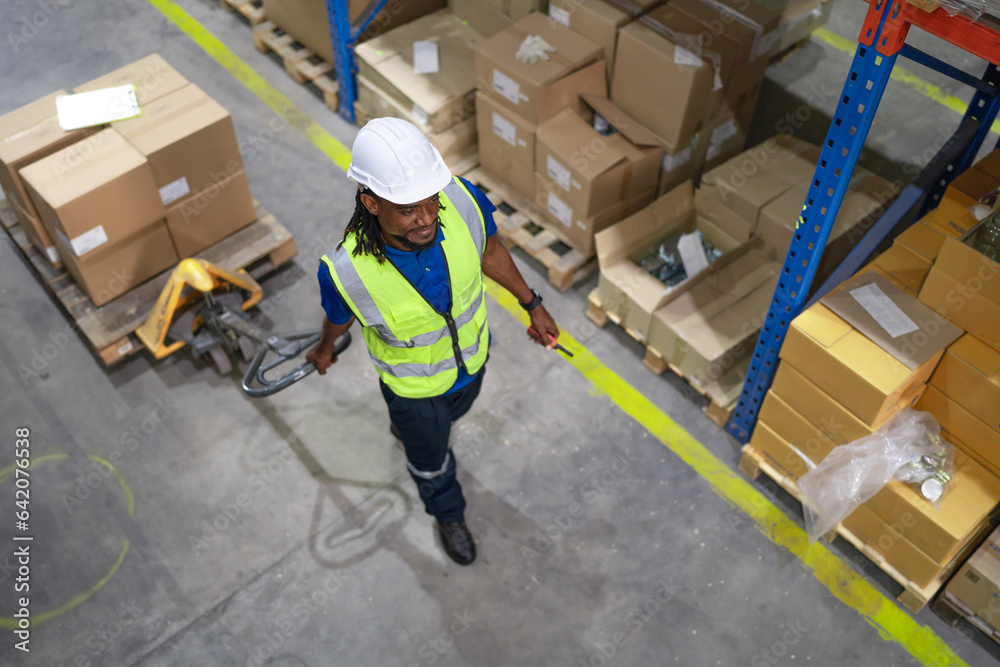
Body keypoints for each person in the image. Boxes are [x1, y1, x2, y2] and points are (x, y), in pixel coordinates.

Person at [306, 118, 559, 565]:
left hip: (473, 363)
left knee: (453, 419)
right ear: (370, 202)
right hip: (415, 395)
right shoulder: (346, 272)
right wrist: (325, 348)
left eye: (430, 203)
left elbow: (490, 250)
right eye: (407, 210)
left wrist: (532, 303)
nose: (426, 219)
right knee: (431, 462)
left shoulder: (459, 199)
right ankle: (448, 513)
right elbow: (338, 318)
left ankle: (415, 435)